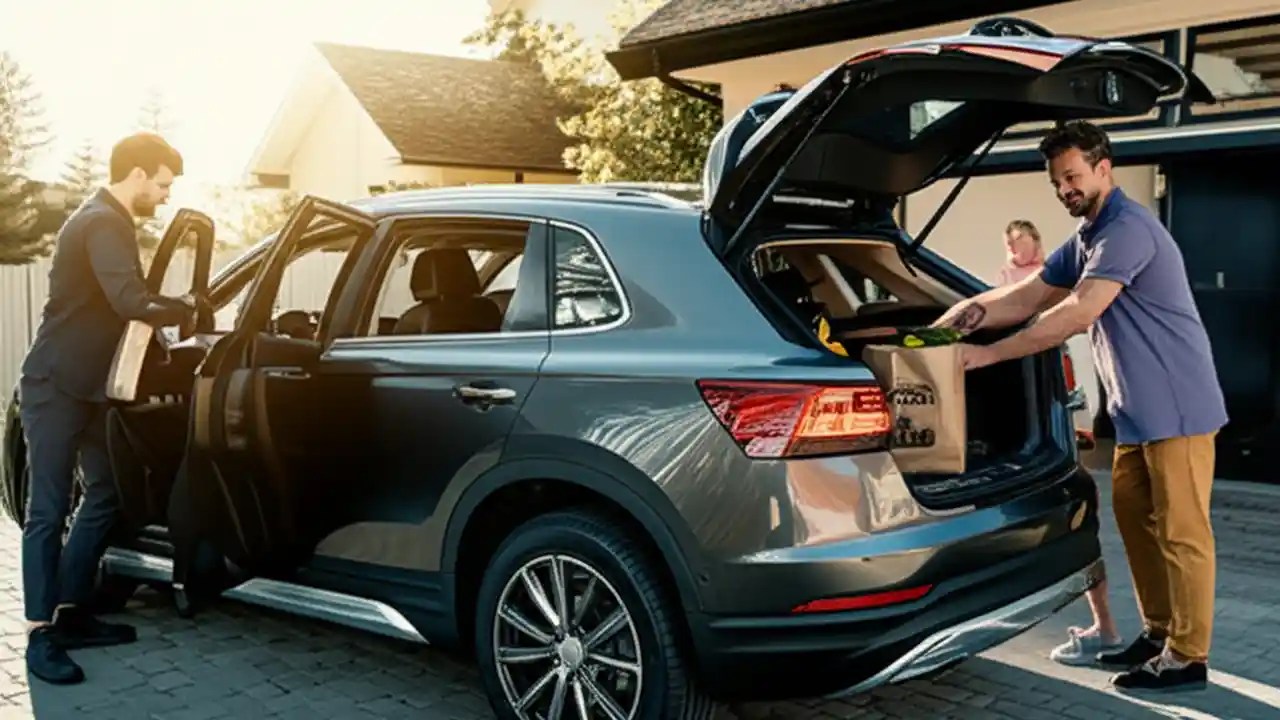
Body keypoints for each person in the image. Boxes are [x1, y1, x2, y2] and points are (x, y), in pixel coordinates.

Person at [933, 120, 1226, 692]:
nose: (1064, 188)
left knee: (1183, 533)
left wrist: (987, 355)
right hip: (1135, 413)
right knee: (1138, 526)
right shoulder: (1089, 234)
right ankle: (1158, 631)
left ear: (1103, 167)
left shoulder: (1128, 230)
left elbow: (1075, 313)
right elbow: (1025, 296)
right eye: (1056, 182)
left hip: (1180, 407)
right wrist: (953, 322)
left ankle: (1188, 656)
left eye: (1072, 176)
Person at [19, 132, 195, 684]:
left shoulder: (108, 222)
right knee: (47, 510)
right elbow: (130, 302)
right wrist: (187, 309)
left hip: (92, 388)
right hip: (54, 385)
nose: (166, 195)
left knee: (106, 491)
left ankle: (71, 610)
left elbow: (118, 313)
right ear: (138, 174)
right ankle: (38, 635)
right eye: (163, 184)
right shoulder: (102, 222)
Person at [996, 219, 1046, 286]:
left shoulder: (1050, 269)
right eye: (1009, 243)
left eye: (1018, 238)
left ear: (1034, 239)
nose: (1013, 246)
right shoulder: (1005, 274)